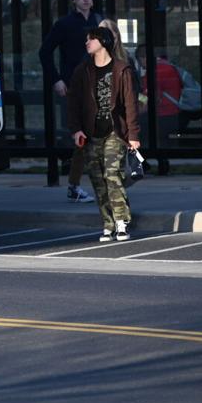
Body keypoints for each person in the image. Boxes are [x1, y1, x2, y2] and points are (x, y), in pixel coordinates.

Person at [68, 25, 142, 242]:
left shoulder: (122, 70)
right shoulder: (82, 71)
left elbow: (130, 104)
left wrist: (133, 135)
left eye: (91, 39)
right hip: (91, 133)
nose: (87, 43)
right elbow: (73, 103)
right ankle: (108, 223)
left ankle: (121, 222)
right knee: (98, 179)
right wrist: (76, 129)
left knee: (113, 175)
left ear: (103, 42)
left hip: (114, 132)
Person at [38, 0, 100, 201]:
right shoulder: (64, 24)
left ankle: (89, 184)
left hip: (98, 85)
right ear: (74, 0)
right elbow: (44, 52)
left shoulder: (99, 21)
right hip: (75, 87)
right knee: (84, 136)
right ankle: (76, 185)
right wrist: (57, 80)